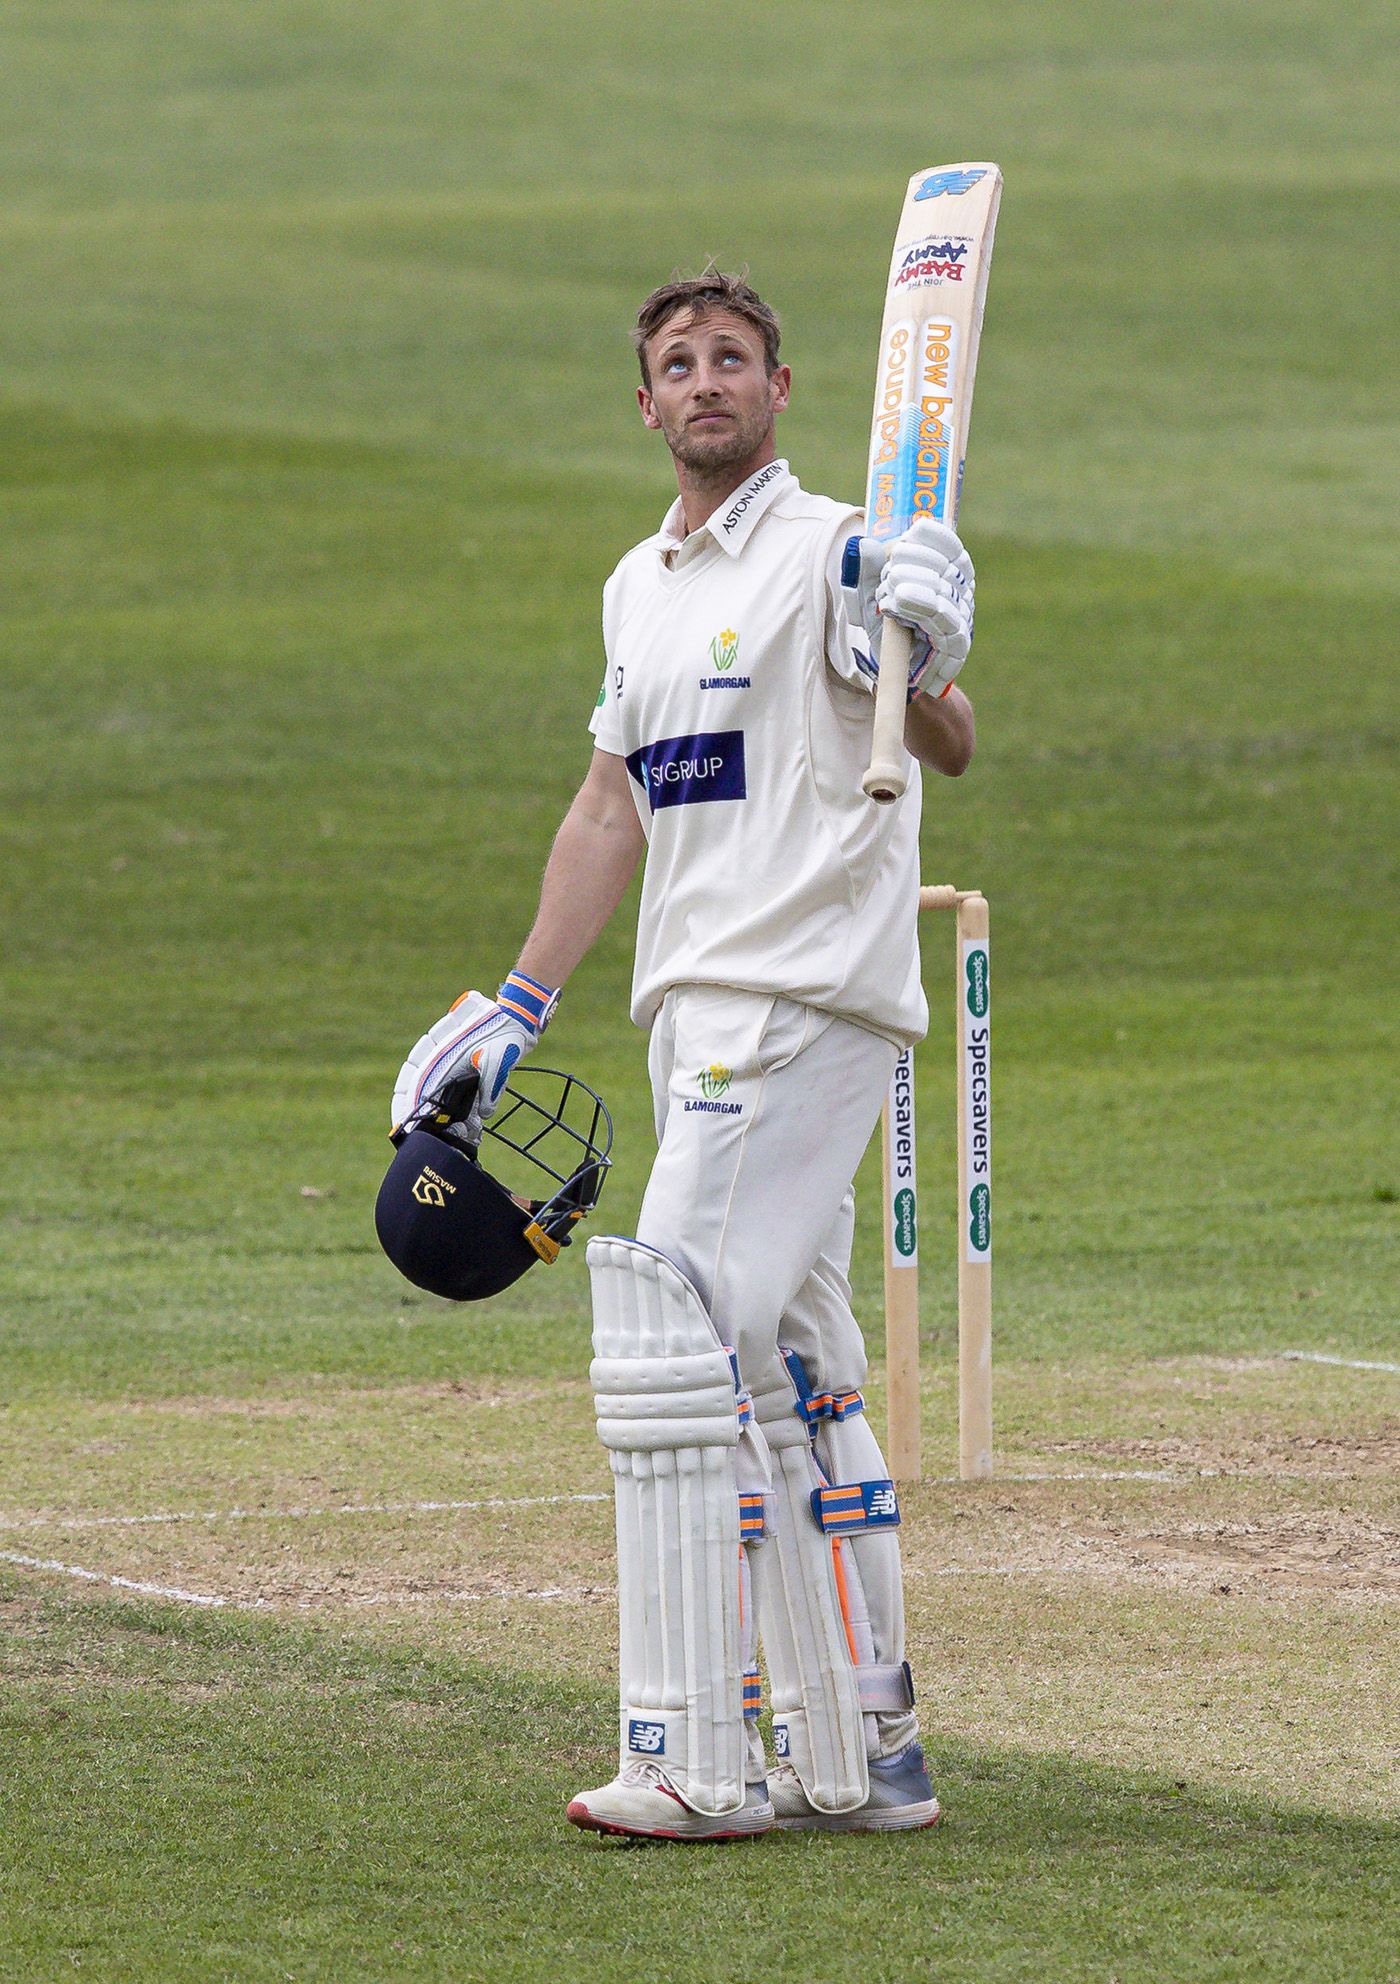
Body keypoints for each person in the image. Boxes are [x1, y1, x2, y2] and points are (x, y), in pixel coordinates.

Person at [393, 269, 977, 1842]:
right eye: (677, 362)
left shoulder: (841, 546)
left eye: (732, 358)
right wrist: (516, 1007)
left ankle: (694, 1760)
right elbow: (613, 806)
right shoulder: (637, 586)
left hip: (797, 992)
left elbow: (947, 739)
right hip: (694, 1008)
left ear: (778, 391)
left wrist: (928, 651)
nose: (705, 379)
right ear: (645, 403)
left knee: (676, 1340)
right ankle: (866, 1751)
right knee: (793, 1372)